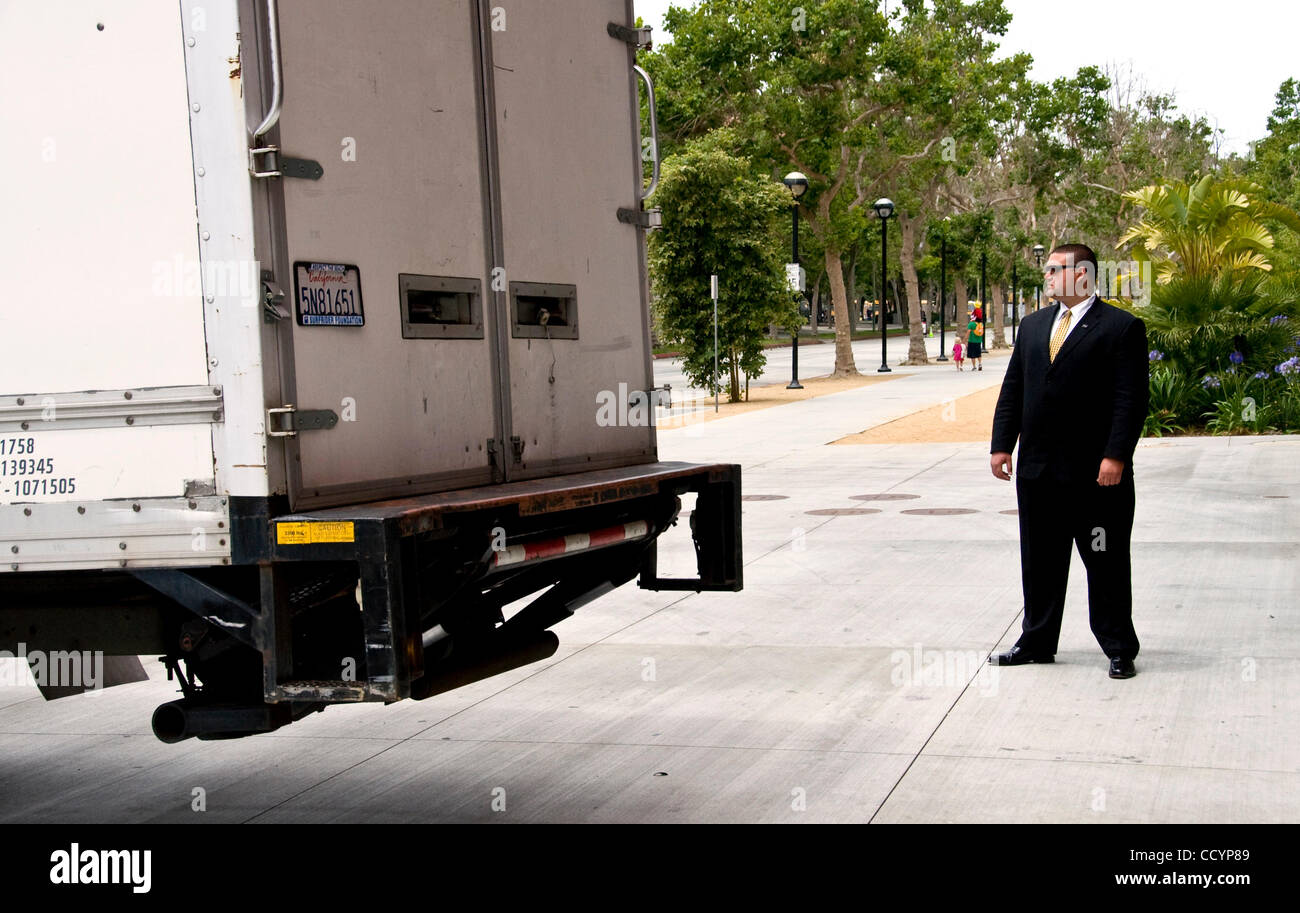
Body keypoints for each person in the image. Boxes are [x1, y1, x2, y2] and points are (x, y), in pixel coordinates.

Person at [988, 244, 1149, 679]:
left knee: (1106, 561)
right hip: (1038, 472)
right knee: (1039, 561)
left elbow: (1129, 401)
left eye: (1054, 270)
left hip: (1097, 477)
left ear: (1082, 275)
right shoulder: (1034, 325)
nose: (1047, 277)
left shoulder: (1121, 328)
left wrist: (1115, 456)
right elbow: (1013, 388)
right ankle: (1037, 640)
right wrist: (1002, 445)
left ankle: (1118, 647)